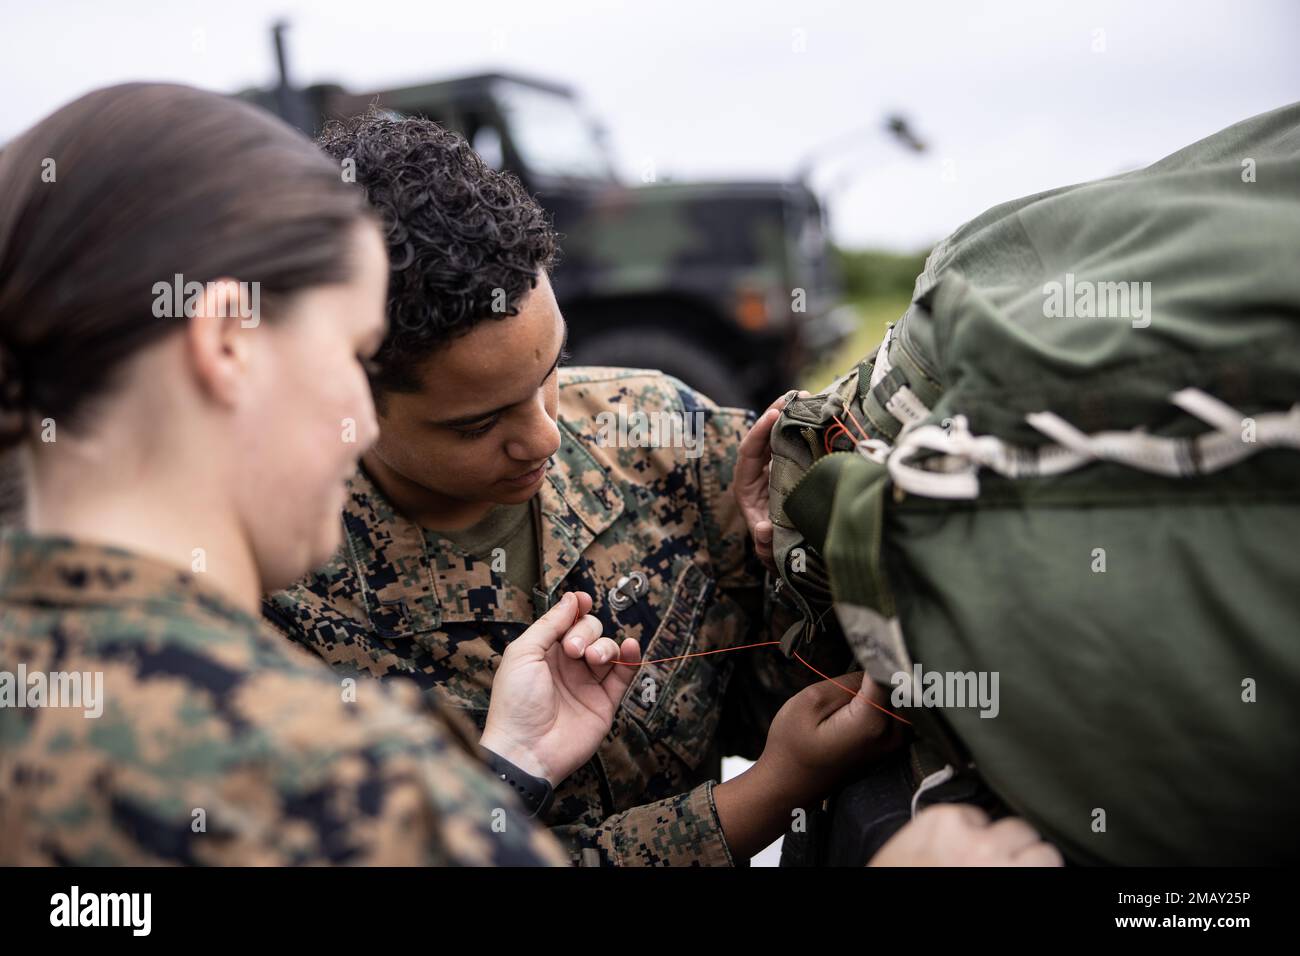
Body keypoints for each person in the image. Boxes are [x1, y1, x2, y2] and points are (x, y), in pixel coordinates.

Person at [262, 109, 966, 866]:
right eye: (476, 424)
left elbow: (811, 662)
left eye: (550, 372)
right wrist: (775, 788)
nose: (545, 436)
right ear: (342, 397)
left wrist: (802, 547)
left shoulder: (654, 432)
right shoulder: (280, 590)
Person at [0, 82, 641, 865]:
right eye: (350, 351)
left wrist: (511, 767)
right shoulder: (356, 795)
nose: (363, 423)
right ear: (228, 345)